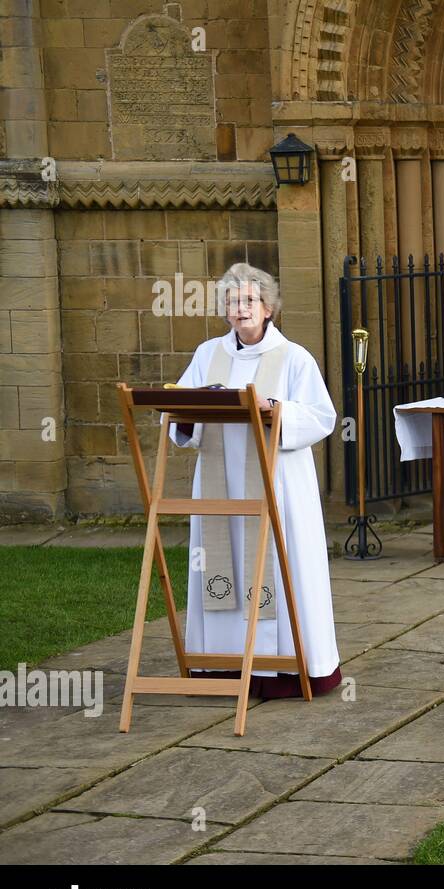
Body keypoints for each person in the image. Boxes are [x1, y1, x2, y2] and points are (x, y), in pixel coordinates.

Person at [170, 263, 342, 699]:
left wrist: (276, 408)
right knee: (223, 562)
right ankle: (223, 665)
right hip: (219, 487)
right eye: (231, 301)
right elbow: (180, 413)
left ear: (268, 307)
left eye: (248, 300)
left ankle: (285, 670)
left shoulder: (294, 357)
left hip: (277, 486)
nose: (239, 308)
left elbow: (322, 416)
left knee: (280, 568)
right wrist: (186, 414)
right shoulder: (207, 354)